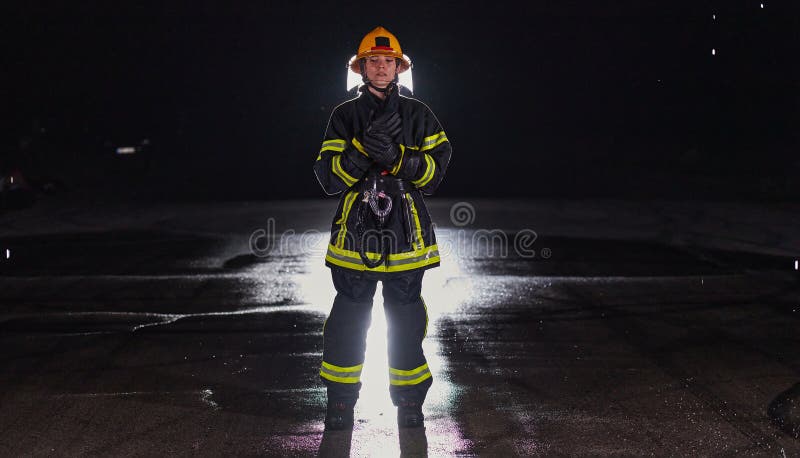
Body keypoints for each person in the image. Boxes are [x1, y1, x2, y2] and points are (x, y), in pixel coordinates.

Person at [312, 26, 452, 430]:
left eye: (388, 61)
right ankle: (339, 404)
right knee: (349, 318)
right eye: (372, 61)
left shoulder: (420, 115)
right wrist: (359, 152)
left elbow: (434, 174)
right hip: (356, 234)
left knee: (406, 319)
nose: (380, 67)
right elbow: (328, 178)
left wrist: (396, 157)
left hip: (407, 233)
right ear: (360, 68)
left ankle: (409, 403)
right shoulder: (344, 116)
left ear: (398, 67)